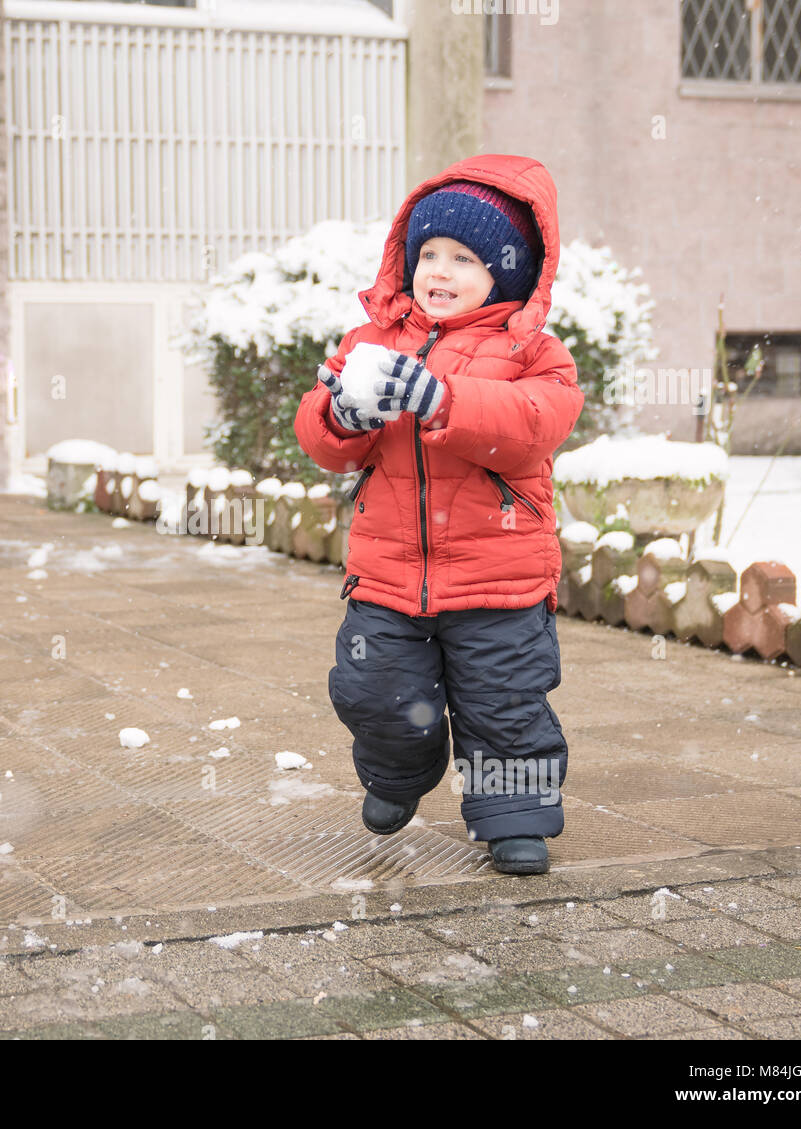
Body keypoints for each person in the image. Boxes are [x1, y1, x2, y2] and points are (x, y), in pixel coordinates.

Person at [293, 154, 584, 875]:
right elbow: (327, 443)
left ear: (508, 272)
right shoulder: (371, 345)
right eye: (428, 253)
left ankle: (514, 816)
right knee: (374, 687)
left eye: (464, 257)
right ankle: (399, 770)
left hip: (499, 581)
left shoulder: (535, 356)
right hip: (389, 575)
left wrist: (442, 398)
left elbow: (530, 426)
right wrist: (343, 411)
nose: (439, 270)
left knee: (505, 705)